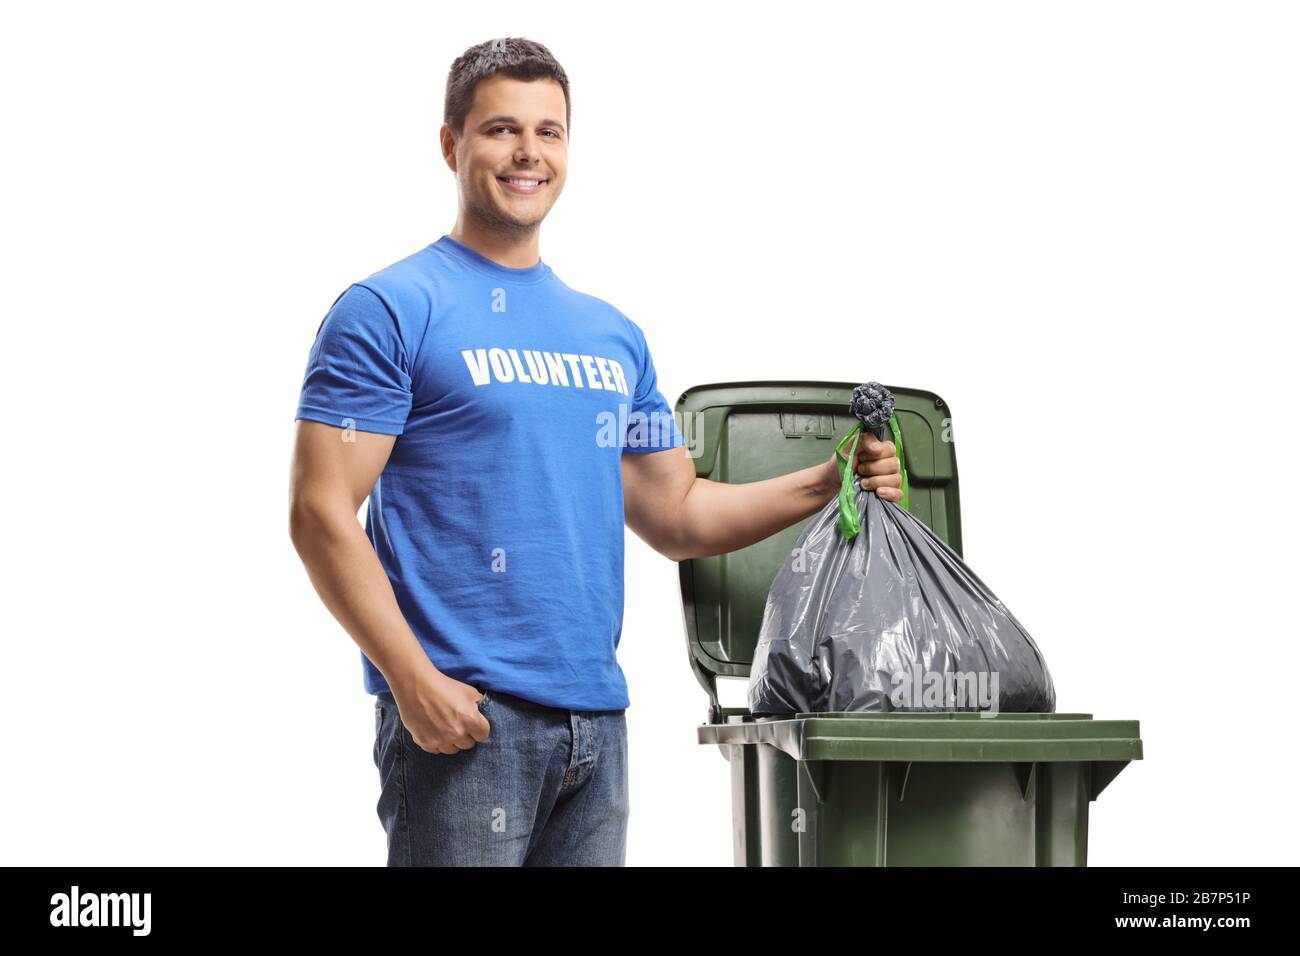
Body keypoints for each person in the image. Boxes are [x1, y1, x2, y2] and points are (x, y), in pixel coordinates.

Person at [287, 37, 903, 867]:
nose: (528, 153)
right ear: (450, 144)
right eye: (501, 129)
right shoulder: (390, 308)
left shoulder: (612, 338)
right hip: (467, 721)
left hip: (595, 727)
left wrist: (829, 482)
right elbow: (320, 509)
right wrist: (410, 680)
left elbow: (677, 513)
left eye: (550, 131)